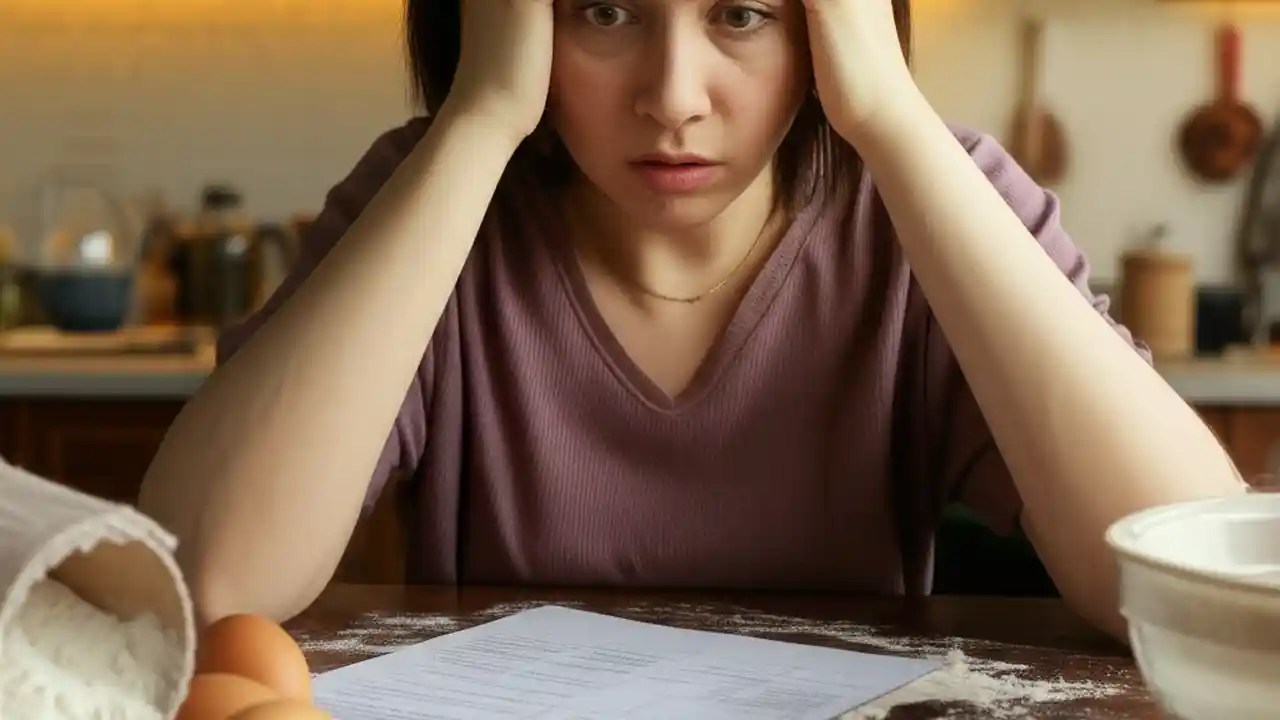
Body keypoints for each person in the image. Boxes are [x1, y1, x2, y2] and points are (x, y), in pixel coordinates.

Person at [138, 0, 1245, 637]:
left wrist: (892, 118)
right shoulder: (429, 203)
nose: (672, 94)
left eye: (741, 12)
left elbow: (1199, 585)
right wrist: (474, 122)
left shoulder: (933, 201)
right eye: (604, 9)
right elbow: (204, 580)